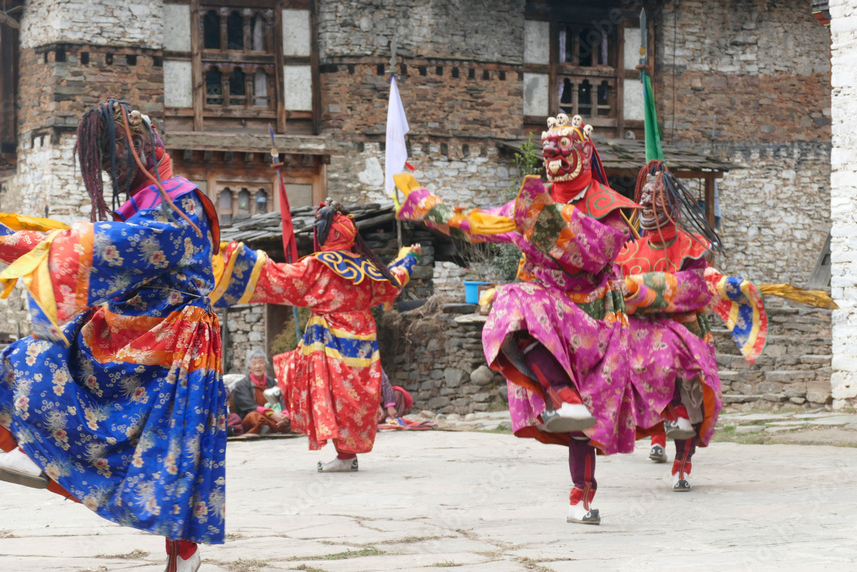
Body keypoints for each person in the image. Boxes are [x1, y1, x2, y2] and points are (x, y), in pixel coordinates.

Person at [0, 100, 224, 572]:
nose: (107, 166)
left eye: (114, 153)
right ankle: (37, 451)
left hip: (176, 339)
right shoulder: (142, 203)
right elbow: (106, 240)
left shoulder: (180, 202)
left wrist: (17, 245)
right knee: (35, 355)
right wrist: (33, 235)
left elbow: (122, 245)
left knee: (168, 451)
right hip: (129, 328)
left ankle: (182, 548)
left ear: (143, 148)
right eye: (100, 158)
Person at [394, 113, 639, 525]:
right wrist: (420, 200)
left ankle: (570, 401)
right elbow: (473, 223)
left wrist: (546, 222)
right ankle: (579, 495)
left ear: (582, 152)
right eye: (548, 153)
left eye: (562, 152)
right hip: (549, 317)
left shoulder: (606, 207)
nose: (554, 160)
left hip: (593, 320)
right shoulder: (528, 207)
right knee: (514, 307)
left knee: (515, 301)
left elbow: (595, 252)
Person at [211, 199, 420, 472]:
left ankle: (346, 457)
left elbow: (279, 278)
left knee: (335, 400)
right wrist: (410, 258)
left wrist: (239, 257)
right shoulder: (369, 269)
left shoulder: (319, 267)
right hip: (363, 348)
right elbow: (395, 279)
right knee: (353, 401)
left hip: (332, 344)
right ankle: (347, 455)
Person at [617, 160, 724, 492]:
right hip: (642, 334)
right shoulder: (630, 251)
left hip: (686, 327)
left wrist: (651, 290)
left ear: (673, 204)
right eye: (645, 196)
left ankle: (683, 462)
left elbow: (696, 288)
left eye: (656, 197)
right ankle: (660, 433)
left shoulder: (691, 246)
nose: (648, 203)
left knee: (692, 397)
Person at [230, 348, 291, 434]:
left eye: (261, 362)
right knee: (254, 416)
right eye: (254, 363)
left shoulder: (272, 382)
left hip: (273, 417)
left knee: (288, 416)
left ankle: (272, 426)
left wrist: (284, 415)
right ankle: (269, 427)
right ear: (249, 367)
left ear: (265, 365)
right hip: (254, 419)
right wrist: (272, 415)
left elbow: (281, 400)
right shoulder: (241, 386)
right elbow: (250, 407)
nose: (258, 366)